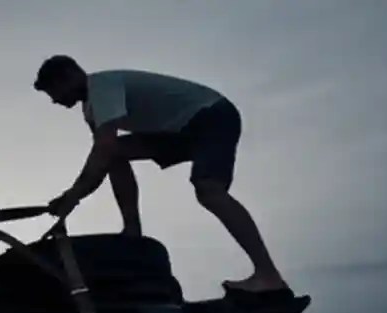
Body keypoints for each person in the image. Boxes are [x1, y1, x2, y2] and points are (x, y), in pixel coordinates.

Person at [33, 55, 289, 296]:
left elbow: (103, 150)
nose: (54, 100)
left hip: (211, 116)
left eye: (53, 92)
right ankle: (132, 230)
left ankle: (269, 276)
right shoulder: (92, 108)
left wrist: (73, 196)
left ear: (69, 76)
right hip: (179, 130)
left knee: (210, 191)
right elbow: (104, 158)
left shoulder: (102, 86)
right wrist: (73, 197)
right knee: (115, 154)